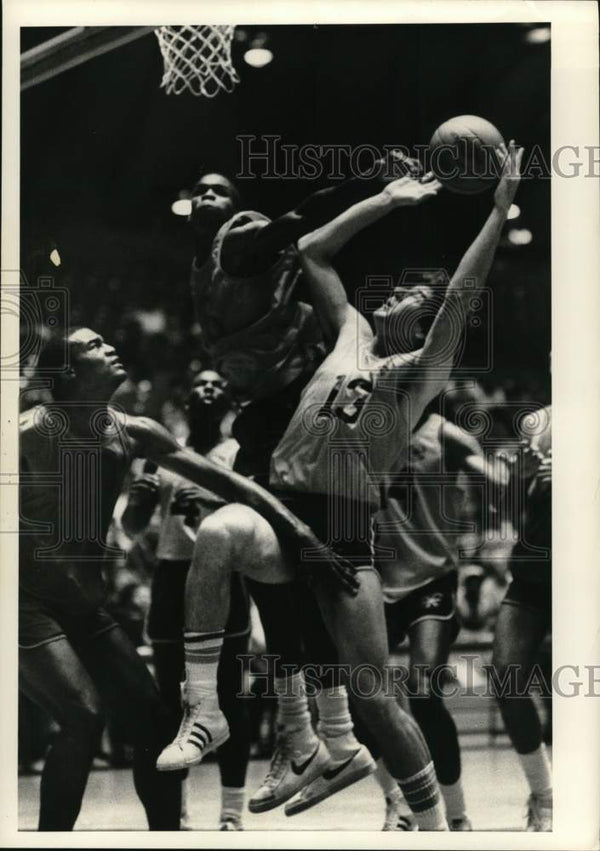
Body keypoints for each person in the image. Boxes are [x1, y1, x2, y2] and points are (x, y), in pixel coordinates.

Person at [158, 142, 524, 831]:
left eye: (420, 294)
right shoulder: (349, 332)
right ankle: (206, 708)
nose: (404, 294)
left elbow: (464, 293)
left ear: (426, 317)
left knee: (377, 699)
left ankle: (435, 823)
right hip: (285, 510)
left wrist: (498, 211)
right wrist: (385, 200)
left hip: (347, 528)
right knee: (217, 533)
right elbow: (315, 249)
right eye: (402, 287)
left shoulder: (419, 374)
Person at [19, 327, 348, 831]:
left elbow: (236, 486)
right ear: (65, 371)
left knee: (155, 724)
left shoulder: (135, 430)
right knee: (83, 718)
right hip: (25, 604)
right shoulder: (24, 432)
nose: (109, 346)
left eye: (108, 340)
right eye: (92, 346)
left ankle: (169, 839)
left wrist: (305, 535)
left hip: (86, 609)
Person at [353, 403, 508, 831]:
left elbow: (498, 482)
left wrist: (496, 480)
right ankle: (399, 803)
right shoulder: (366, 429)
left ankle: (456, 815)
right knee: (363, 695)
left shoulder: (448, 436)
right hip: (376, 580)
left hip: (430, 580)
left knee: (424, 690)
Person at [121, 369, 251, 830]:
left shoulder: (240, 453)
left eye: (218, 384)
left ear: (228, 400)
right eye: (200, 383)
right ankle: (174, 810)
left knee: (230, 698)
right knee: (170, 704)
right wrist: (137, 504)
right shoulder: (161, 452)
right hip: (172, 578)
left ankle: (232, 813)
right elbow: (132, 528)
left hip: (223, 578)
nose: (209, 389)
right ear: (187, 398)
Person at [490, 405, 552, 831]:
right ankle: (545, 795)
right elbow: (512, 515)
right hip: (534, 575)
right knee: (506, 676)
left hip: (587, 577)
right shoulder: (539, 423)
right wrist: (520, 484)